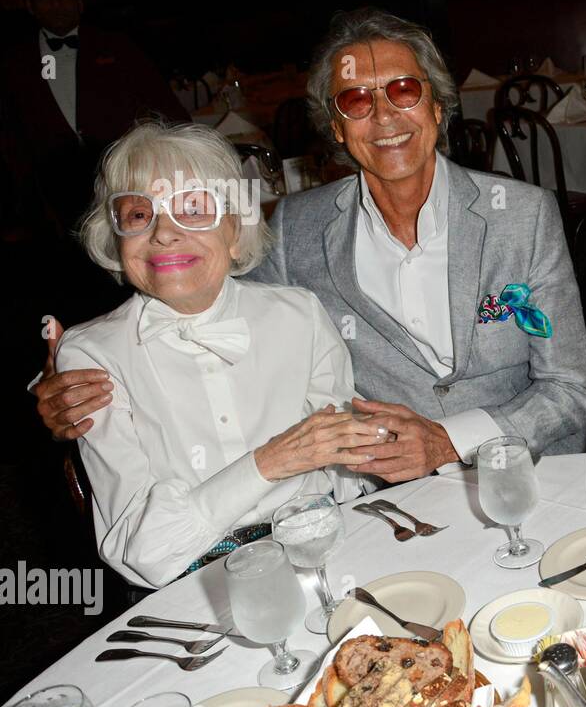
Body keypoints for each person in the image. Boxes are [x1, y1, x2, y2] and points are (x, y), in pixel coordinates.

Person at [38, 8, 586, 483]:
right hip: (380, 495)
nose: (383, 116)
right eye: (354, 101)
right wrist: (79, 373)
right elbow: (197, 306)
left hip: (529, 472)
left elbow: (571, 389)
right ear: (334, 128)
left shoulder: (522, 216)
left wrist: (449, 442)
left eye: (404, 90)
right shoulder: (296, 229)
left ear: (437, 106)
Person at [56, 121, 379, 588]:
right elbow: (143, 552)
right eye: (137, 214)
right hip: (195, 586)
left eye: (193, 209)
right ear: (116, 237)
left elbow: (349, 474)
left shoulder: (300, 314)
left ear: (234, 229)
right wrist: (270, 462)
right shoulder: (91, 355)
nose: (164, 233)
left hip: (327, 550)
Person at [0, 0, 187, 323]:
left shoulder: (115, 46)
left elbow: (165, 108)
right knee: (74, 283)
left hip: (119, 175)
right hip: (54, 186)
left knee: (128, 264)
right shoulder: (15, 62)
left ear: (80, 3)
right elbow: (11, 134)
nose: (56, 4)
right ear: (29, 5)